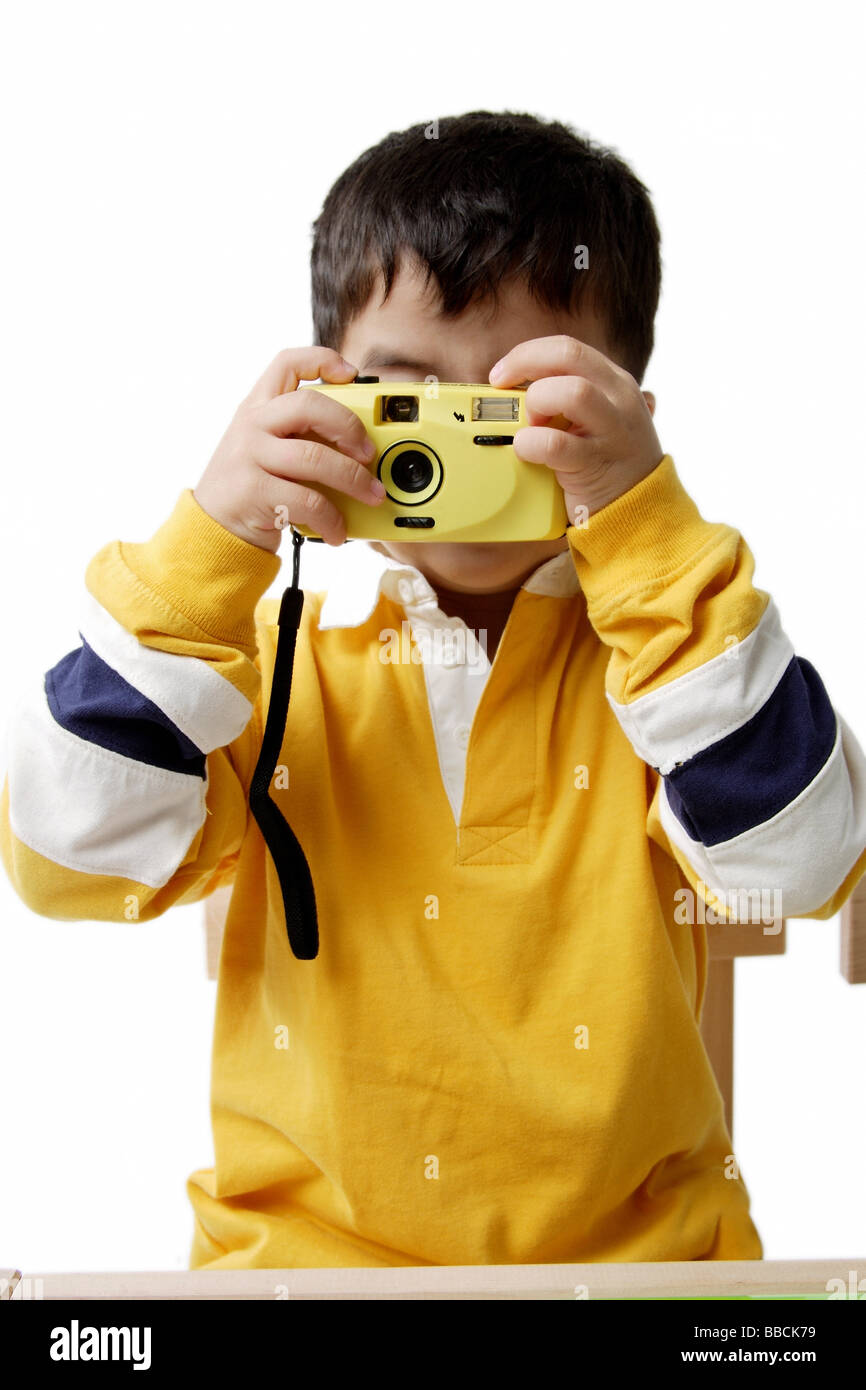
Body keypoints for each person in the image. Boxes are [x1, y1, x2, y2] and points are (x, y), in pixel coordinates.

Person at [3, 110, 865, 1270]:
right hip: (302, 1273)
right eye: (404, 397)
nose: (460, 451)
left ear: (626, 420)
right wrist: (213, 541)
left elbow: (805, 866)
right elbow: (66, 860)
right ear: (324, 398)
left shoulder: (674, 648)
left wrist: (641, 525)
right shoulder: (243, 654)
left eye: (519, 403)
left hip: (647, 1276)